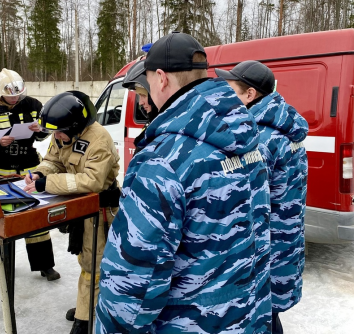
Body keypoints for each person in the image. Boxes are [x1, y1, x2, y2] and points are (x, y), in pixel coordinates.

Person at [96, 32, 272, 333]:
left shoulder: (162, 159)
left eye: (148, 81)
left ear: (161, 78)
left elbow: (134, 286)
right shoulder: (249, 137)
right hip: (247, 319)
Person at [216, 61, 308, 334]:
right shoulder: (285, 127)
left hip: (267, 255)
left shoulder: (259, 138)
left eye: (230, 88)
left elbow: (247, 203)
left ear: (249, 95)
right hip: (286, 246)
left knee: (262, 319)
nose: (224, 93)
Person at [24, 90, 120, 334]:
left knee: (95, 263)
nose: (55, 137)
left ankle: (85, 318)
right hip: (79, 208)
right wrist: (40, 173)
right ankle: (86, 304)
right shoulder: (62, 133)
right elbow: (53, 160)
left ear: (76, 127)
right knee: (85, 259)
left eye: (59, 132)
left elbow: (92, 181)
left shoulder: (99, 140)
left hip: (101, 210)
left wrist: (47, 184)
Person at [0, 69, 60, 281]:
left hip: (29, 169)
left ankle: (44, 264)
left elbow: (43, 134)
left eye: (18, 94)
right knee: (3, 221)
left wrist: (40, 129)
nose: (15, 99)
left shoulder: (32, 105)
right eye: (11, 95)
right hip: (0, 172)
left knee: (36, 217)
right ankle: (3, 264)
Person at [122, 59, 158, 154]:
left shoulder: (161, 130)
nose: (140, 102)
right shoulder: (153, 124)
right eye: (139, 96)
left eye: (143, 95)